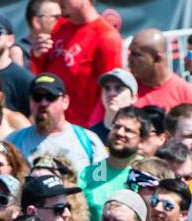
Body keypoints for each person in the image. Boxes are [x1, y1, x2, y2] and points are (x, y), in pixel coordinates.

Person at [28, 0, 123, 128]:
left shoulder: (106, 36)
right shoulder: (59, 28)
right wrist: (37, 56)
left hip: (82, 131)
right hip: (49, 125)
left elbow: (110, 93)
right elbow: (41, 77)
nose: (59, 1)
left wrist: (92, 132)